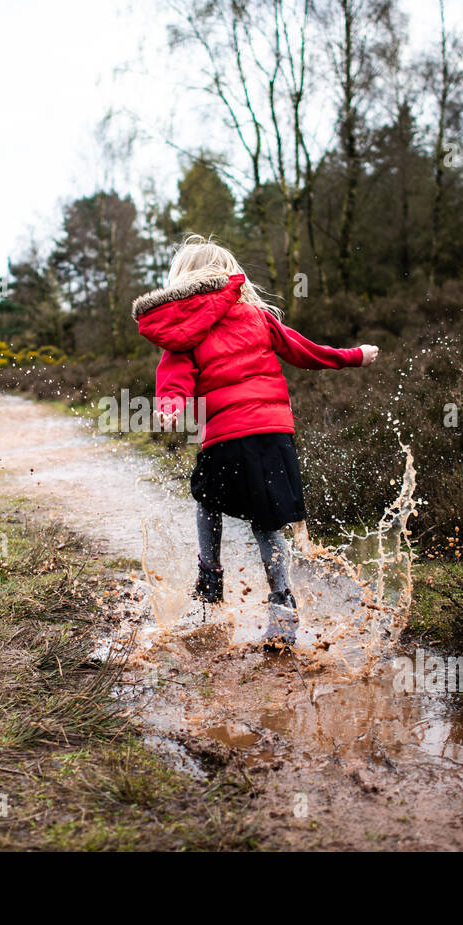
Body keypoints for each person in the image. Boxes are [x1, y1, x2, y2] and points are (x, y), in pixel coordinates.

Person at [130, 235, 378, 650]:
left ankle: (210, 580)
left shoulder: (184, 333)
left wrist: (171, 407)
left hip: (224, 437)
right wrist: (352, 356)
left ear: (181, 283)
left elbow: (173, 377)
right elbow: (306, 352)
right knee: (268, 519)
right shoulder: (256, 317)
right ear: (229, 276)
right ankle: (282, 604)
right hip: (272, 431)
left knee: (207, 500)